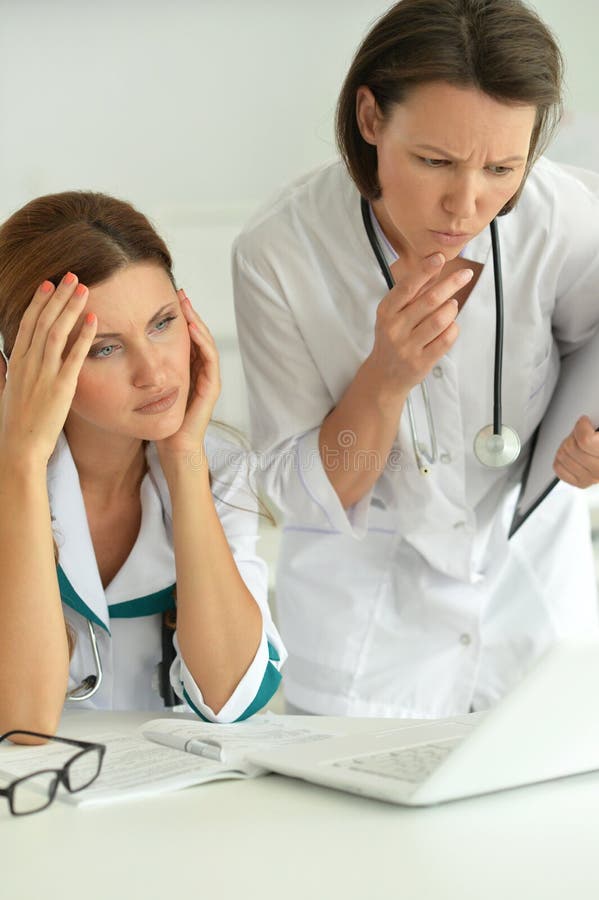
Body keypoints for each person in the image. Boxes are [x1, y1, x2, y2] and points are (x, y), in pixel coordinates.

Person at [232, 0, 599, 719]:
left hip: (535, 610)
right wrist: (385, 379)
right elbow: (305, 496)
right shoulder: (279, 254)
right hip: (368, 646)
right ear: (371, 118)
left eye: (502, 167)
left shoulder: (563, 216)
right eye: (435, 161)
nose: (466, 204)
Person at [0, 190, 285, 739]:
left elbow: (232, 697)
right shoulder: (11, 473)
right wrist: (22, 462)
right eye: (104, 348)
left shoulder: (217, 466)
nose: (154, 373)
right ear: (21, 366)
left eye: (163, 323)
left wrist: (183, 459)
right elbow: (22, 727)